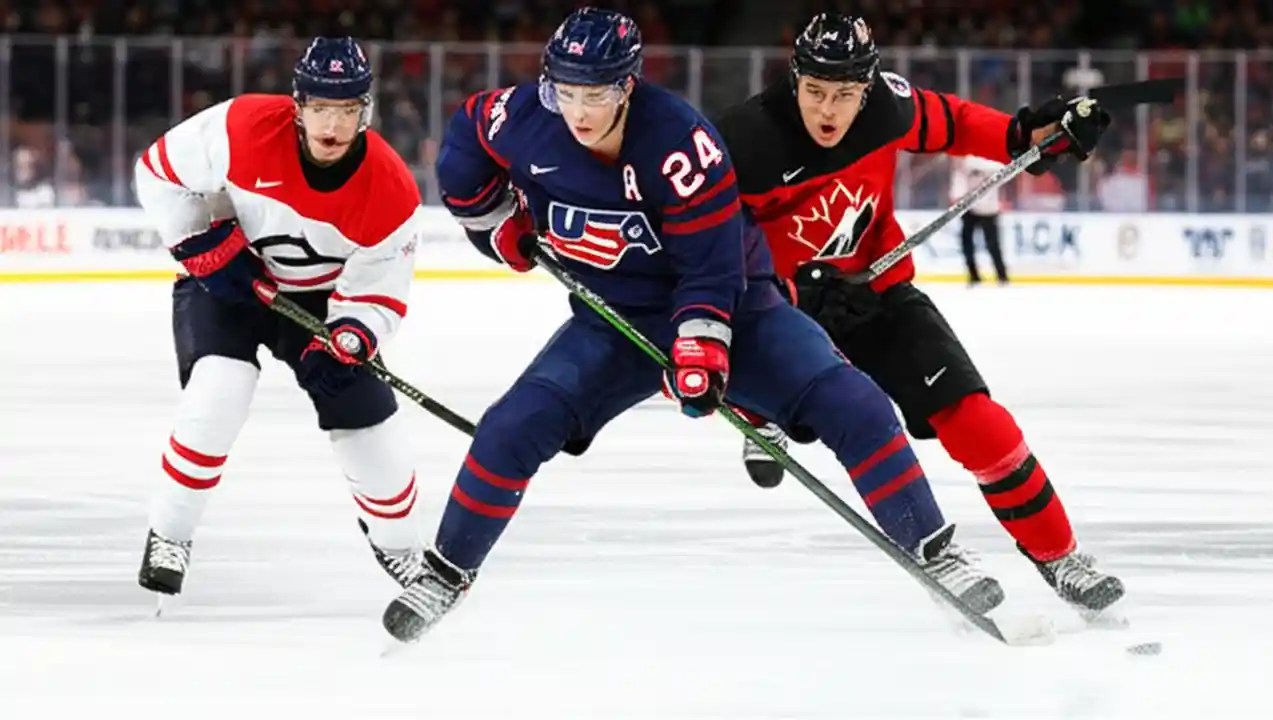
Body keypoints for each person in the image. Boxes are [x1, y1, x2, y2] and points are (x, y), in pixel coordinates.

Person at [380, 7, 1006, 644]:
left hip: (739, 306)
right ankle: (446, 571)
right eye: (565, 92)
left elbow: (711, 269)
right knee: (511, 426)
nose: (578, 111)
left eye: (595, 94)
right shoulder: (522, 117)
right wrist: (492, 220)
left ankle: (934, 551)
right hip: (612, 320)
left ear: (627, 86)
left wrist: (701, 350)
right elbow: (465, 143)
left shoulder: (683, 143)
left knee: (858, 404)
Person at [713, 12, 1124, 615]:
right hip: (783, 308)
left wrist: (1028, 137)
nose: (829, 111)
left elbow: (954, 122)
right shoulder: (745, 141)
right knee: (851, 414)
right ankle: (762, 405)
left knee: (980, 420)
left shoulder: (888, 107)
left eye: (846, 95)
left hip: (878, 291)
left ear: (868, 89)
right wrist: (796, 293)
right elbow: (708, 246)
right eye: (816, 92)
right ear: (794, 79)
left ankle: (1059, 555)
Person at [133, 37, 426, 600]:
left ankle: (401, 547)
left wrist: (352, 334)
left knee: (369, 425)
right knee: (219, 390)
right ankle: (170, 534)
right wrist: (203, 246)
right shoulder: (241, 127)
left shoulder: (390, 189)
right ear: (298, 103)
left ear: (366, 110)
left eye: (346, 109)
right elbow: (158, 173)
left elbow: (379, 292)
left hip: (320, 305)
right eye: (320, 106)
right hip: (229, 282)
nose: (332, 125)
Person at [951, 154, 1009, 285]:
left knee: (993, 244)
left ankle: (1002, 275)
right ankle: (974, 275)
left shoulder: (992, 162)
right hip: (969, 206)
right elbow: (959, 177)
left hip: (989, 207)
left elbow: (1003, 172)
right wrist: (957, 196)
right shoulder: (969, 160)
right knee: (967, 243)